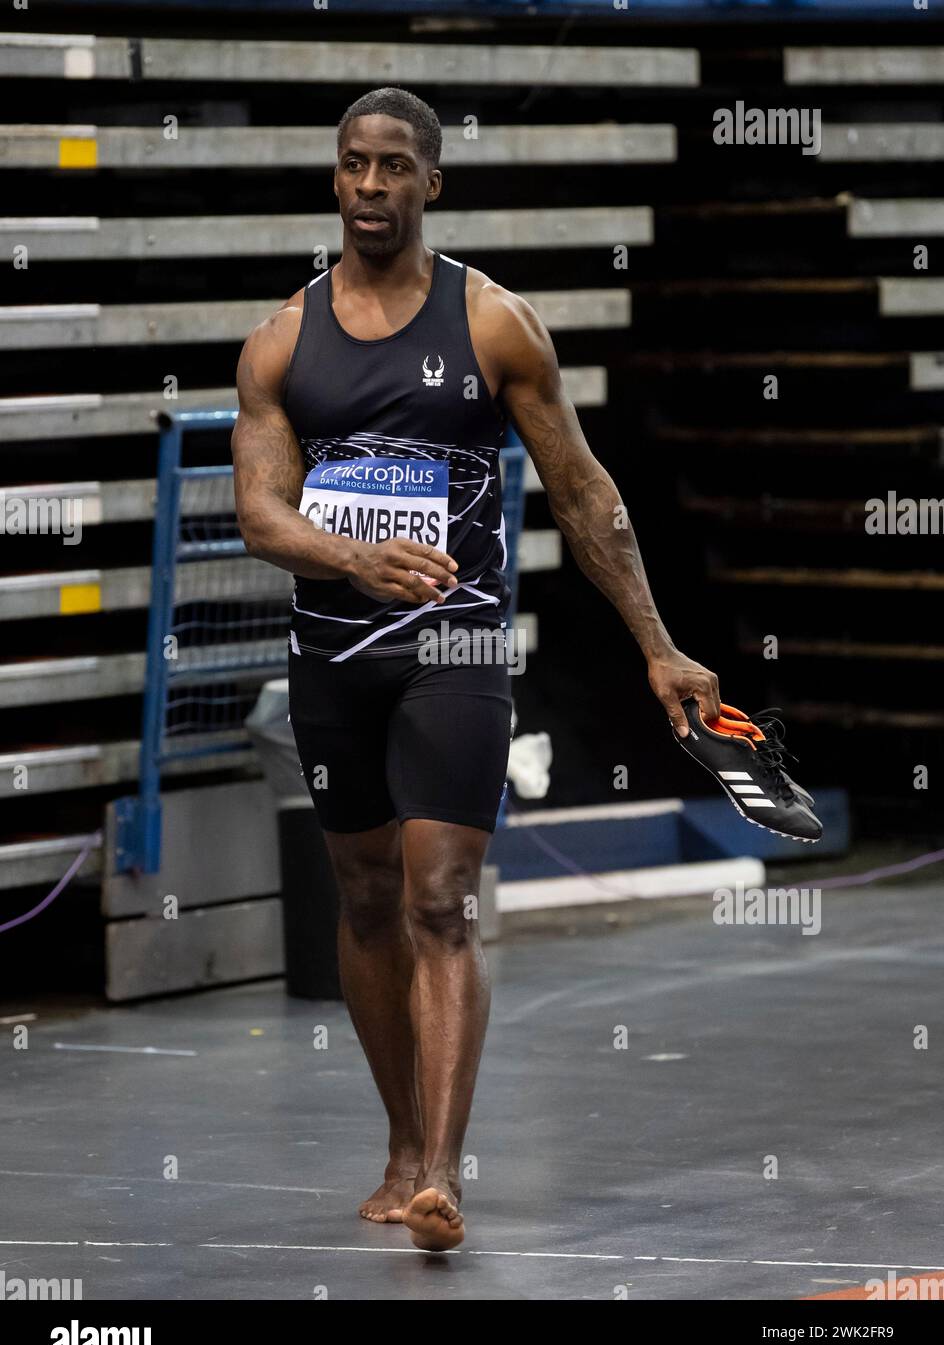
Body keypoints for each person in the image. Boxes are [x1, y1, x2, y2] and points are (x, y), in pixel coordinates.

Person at [232, 87, 720, 1252]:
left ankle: (443, 1172)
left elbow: (584, 495)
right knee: (360, 899)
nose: (368, 187)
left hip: (452, 651)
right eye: (352, 165)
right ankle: (399, 1139)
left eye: (393, 167)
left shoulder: (495, 325)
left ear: (430, 184)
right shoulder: (279, 341)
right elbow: (257, 513)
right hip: (331, 653)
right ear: (333, 178)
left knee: (437, 897)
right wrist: (353, 557)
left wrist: (656, 643)